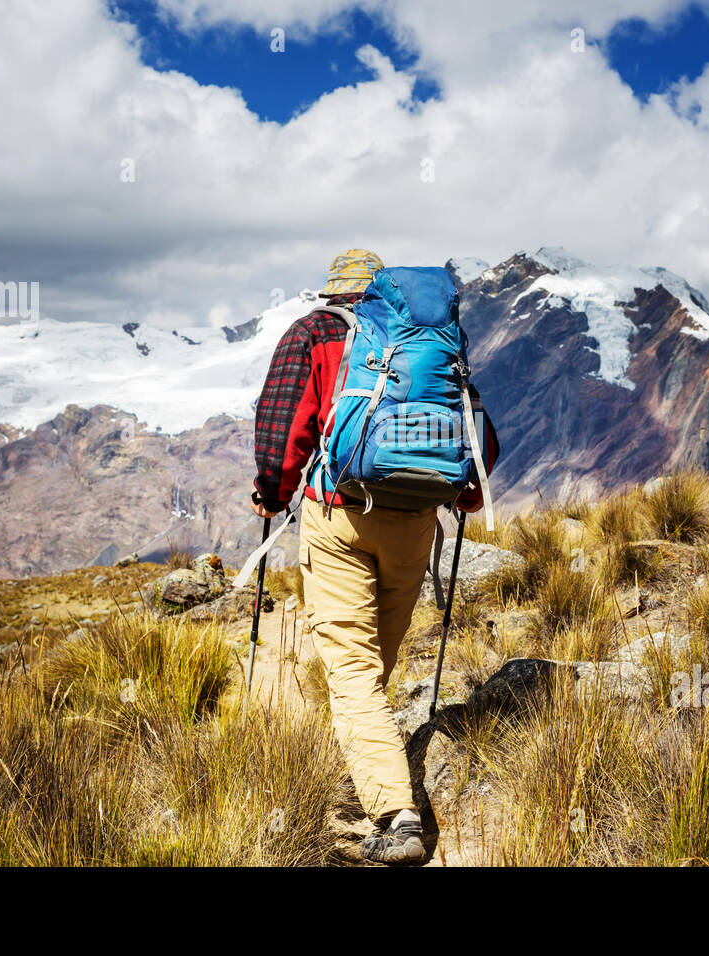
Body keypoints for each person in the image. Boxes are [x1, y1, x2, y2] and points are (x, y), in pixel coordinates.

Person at [250, 248, 483, 865]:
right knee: (376, 659)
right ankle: (379, 769)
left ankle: (396, 816)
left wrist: (271, 495)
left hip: (341, 515)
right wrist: (462, 492)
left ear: (331, 292)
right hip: (415, 522)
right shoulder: (433, 340)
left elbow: (282, 428)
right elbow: (475, 428)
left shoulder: (314, 332)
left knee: (351, 670)